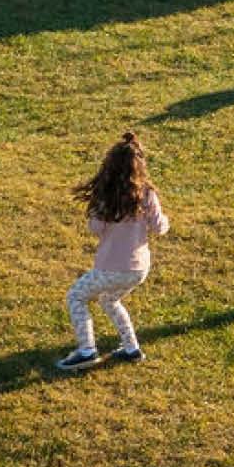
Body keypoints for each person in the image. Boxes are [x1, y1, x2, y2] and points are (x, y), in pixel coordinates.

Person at [55, 131, 168, 372]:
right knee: (109, 299)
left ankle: (87, 350)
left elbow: (95, 229)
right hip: (138, 269)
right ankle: (131, 348)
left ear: (110, 167)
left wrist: (99, 209)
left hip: (111, 269)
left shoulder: (107, 197)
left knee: (76, 296)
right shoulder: (147, 194)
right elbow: (159, 227)